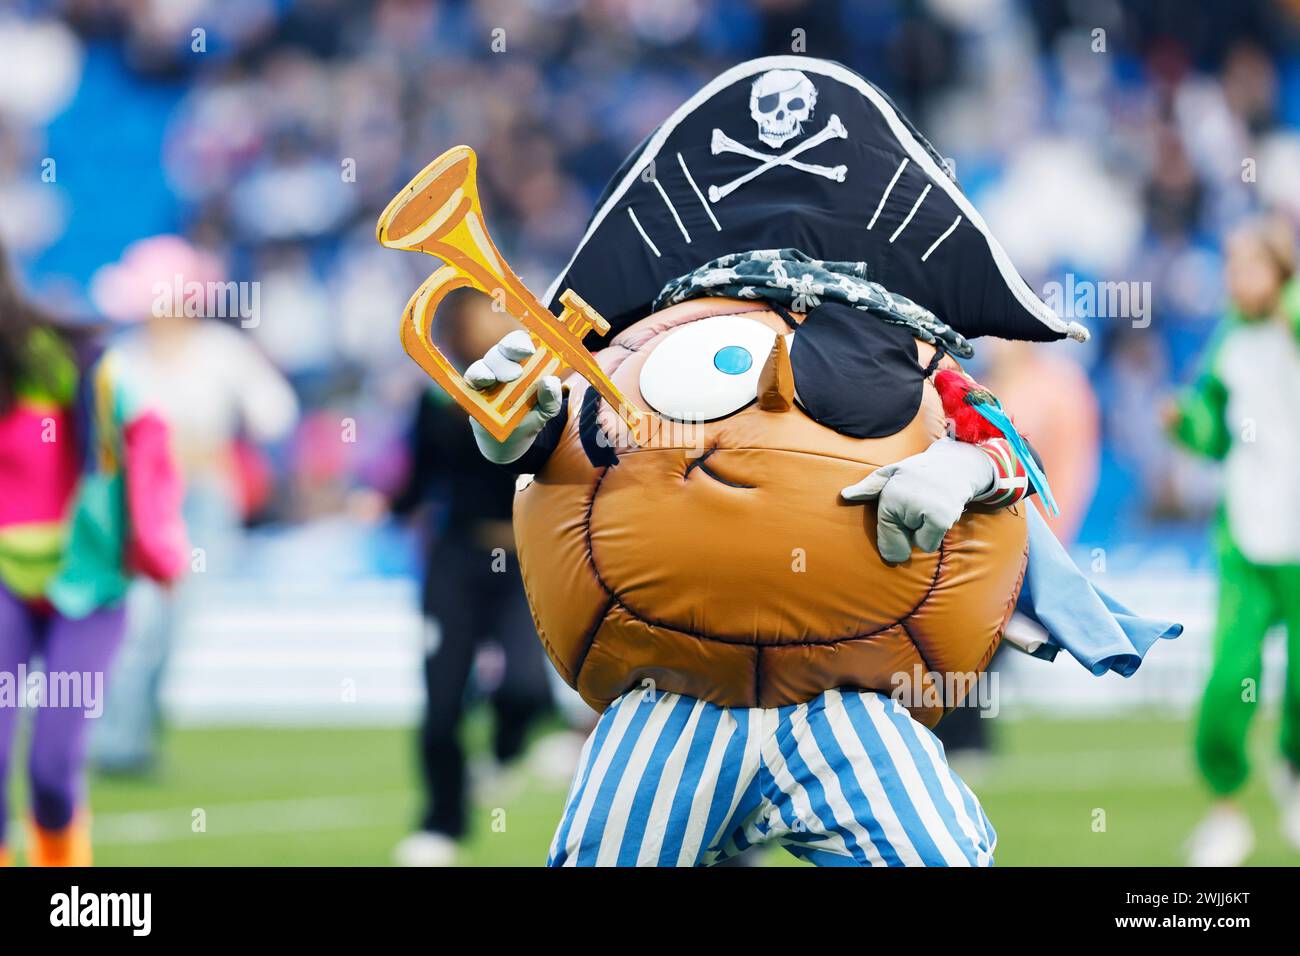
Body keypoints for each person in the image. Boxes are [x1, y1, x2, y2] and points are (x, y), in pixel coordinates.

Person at [0, 242, 186, 865]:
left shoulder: (71, 365)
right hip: (4, 585)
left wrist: (156, 541)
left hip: (89, 583)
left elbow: (144, 441)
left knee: (52, 769)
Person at [87, 235, 299, 773]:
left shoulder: (219, 351)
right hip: (142, 499)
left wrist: (217, 450)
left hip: (204, 496)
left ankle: (134, 732)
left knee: (176, 621)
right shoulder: (122, 358)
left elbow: (276, 412)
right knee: (141, 621)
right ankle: (118, 741)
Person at [388, 291, 554, 867]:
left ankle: (506, 752)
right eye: (484, 309)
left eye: (504, 308)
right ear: (458, 326)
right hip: (457, 557)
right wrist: (379, 503)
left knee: (527, 688)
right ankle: (442, 822)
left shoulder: (543, 390)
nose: (496, 318)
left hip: (523, 561)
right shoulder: (437, 398)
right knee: (441, 700)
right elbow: (416, 482)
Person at [1169, 216, 1300, 867]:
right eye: (1231, 269)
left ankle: (1295, 780)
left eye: (1248, 267)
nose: (1235, 281)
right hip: (1248, 540)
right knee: (1229, 682)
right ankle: (1226, 812)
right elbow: (1212, 435)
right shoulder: (1229, 345)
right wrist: (1185, 422)